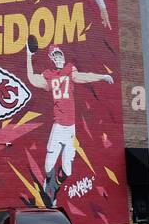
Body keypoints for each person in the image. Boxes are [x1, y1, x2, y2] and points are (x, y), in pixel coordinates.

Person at [25, 40, 114, 204]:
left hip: (70, 129)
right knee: (48, 165)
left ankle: (54, 187)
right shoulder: (49, 76)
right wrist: (29, 56)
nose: (59, 57)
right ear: (52, 58)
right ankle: (49, 186)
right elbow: (31, 78)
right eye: (55, 55)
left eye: (60, 54)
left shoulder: (69, 70)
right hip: (58, 126)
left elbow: (82, 77)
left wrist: (101, 76)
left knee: (67, 169)